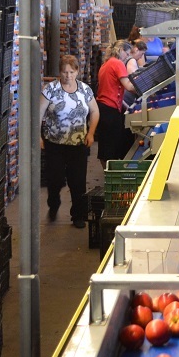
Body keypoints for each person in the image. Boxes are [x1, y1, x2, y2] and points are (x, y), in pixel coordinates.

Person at [40, 55, 99, 228]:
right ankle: (54, 202)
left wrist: (91, 133)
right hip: (54, 144)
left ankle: (78, 215)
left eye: (71, 72)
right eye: (64, 72)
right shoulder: (50, 89)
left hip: (78, 144)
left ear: (77, 72)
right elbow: (39, 113)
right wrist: (38, 136)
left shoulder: (85, 90)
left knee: (78, 180)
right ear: (60, 72)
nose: (68, 76)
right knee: (55, 179)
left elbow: (95, 111)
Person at [96, 40, 137, 168]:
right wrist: (144, 85)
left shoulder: (106, 64)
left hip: (103, 108)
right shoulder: (117, 63)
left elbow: (113, 89)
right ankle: (111, 175)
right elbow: (129, 86)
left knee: (105, 146)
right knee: (111, 146)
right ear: (120, 51)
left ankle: (108, 174)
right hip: (110, 110)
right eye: (127, 53)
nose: (128, 56)